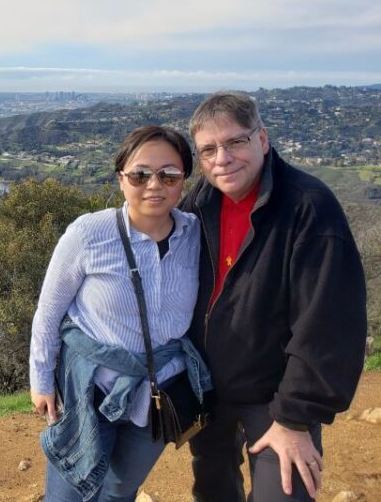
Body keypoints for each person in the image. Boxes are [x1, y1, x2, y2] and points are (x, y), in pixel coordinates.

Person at [180, 92, 367, 501]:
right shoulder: (200, 202)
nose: (221, 159)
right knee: (212, 493)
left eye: (235, 142)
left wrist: (296, 420)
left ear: (262, 139)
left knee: (282, 494)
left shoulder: (308, 207)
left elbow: (330, 323)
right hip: (211, 393)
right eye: (208, 149)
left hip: (277, 401)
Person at [30, 125, 211, 502]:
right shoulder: (89, 233)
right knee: (70, 487)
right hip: (92, 387)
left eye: (169, 175)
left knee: (119, 490)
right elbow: (49, 311)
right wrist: (41, 379)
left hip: (158, 391)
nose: (154, 185)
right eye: (140, 174)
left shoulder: (196, 234)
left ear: (184, 181)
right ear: (121, 179)